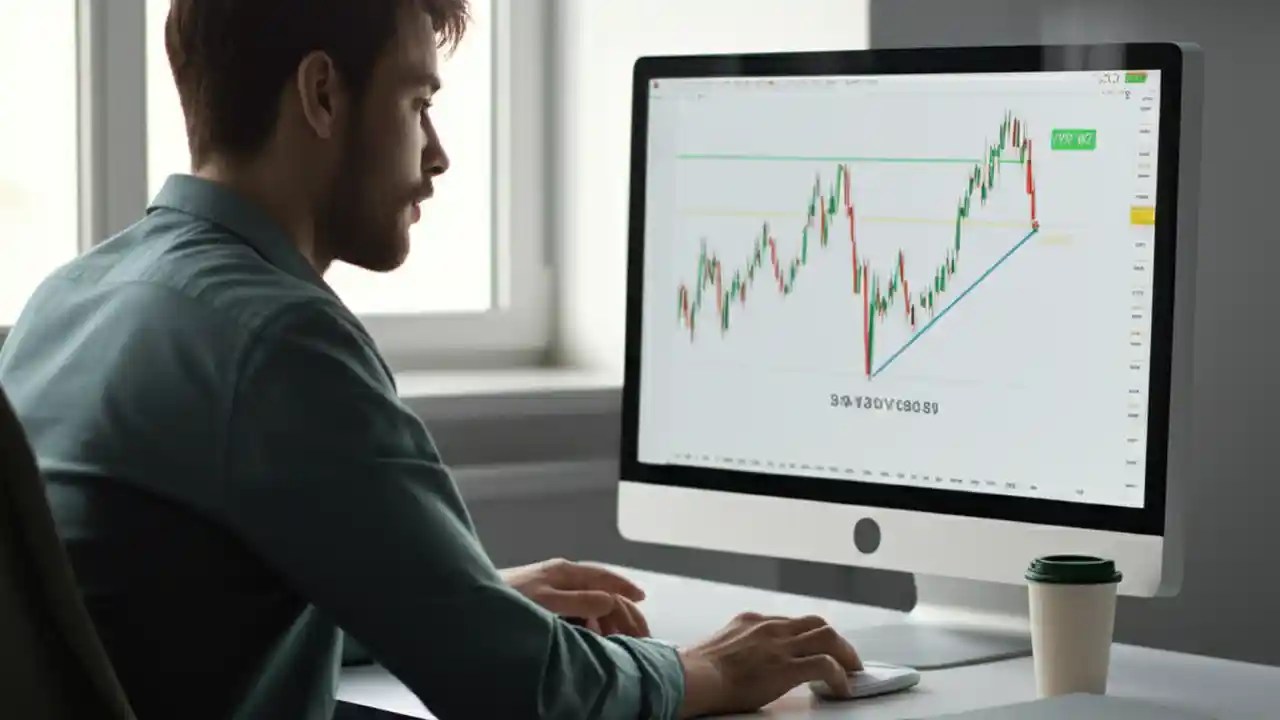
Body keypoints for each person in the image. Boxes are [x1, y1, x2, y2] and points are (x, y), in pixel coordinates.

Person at [0, 1, 863, 718]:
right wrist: (711, 672)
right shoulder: (278, 340)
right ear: (323, 95)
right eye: (418, 102)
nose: (439, 153)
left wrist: (453, 601)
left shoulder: (71, 296)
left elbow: (169, 615)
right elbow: (519, 692)